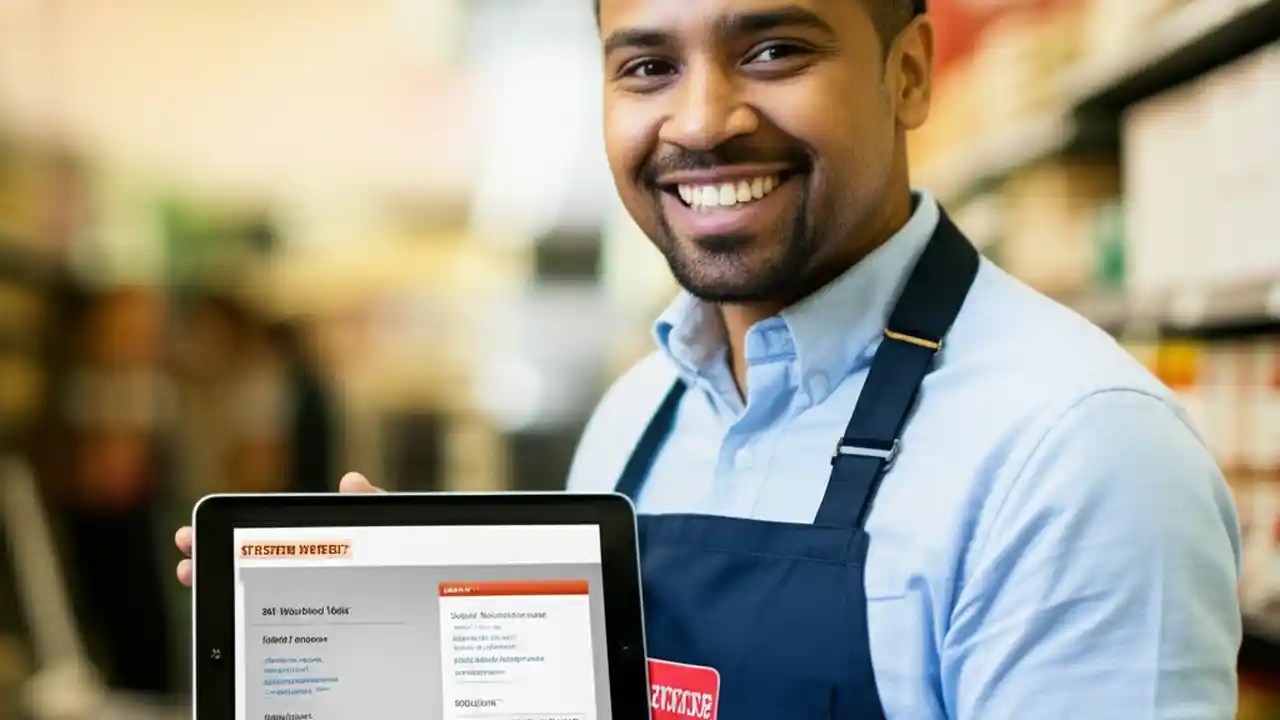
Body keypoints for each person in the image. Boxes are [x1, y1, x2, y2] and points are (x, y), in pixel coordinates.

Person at [176, 0, 1243, 716]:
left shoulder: (1077, 452)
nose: (699, 122)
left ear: (907, 73)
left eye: (772, 50)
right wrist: (404, 672)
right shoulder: (634, 418)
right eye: (645, 66)